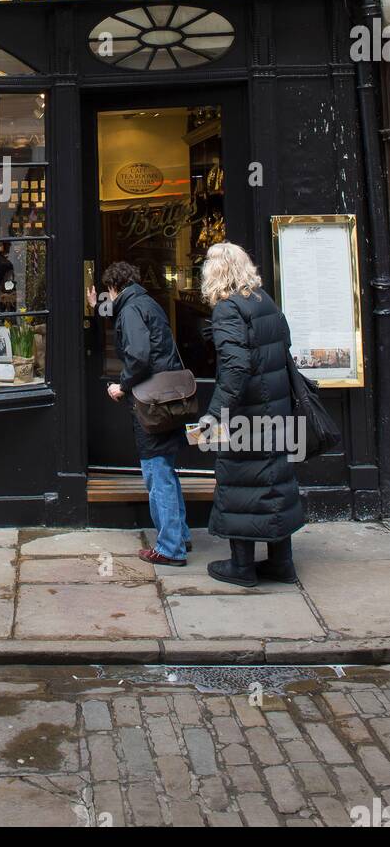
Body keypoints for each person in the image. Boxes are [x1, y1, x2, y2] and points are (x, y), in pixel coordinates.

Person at [199, 241, 305, 587]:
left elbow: (236, 367)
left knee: (239, 484)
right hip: (276, 409)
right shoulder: (264, 300)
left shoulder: (228, 309)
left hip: (246, 415)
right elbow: (278, 347)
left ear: (216, 273)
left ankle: (241, 567)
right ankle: (282, 563)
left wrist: (214, 415)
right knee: (275, 482)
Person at [87, 261, 191, 566]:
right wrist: (97, 308)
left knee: (156, 474)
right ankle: (180, 534)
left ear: (114, 287)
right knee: (166, 472)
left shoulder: (131, 310)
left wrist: (122, 385)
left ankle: (170, 548)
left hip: (152, 403)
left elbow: (139, 355)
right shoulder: (145, 302)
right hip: (167, 398)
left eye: (107, 291)